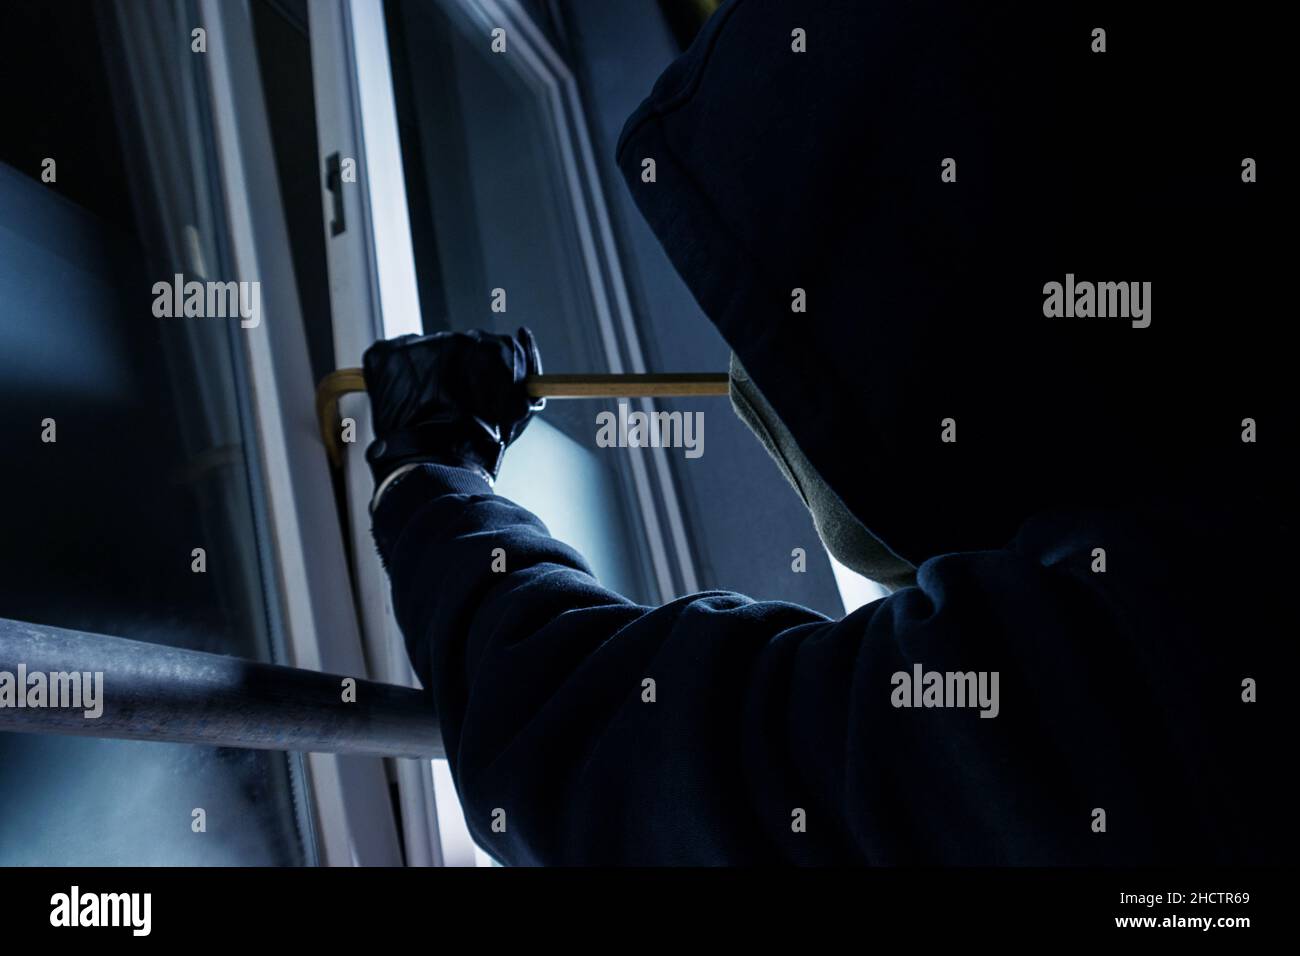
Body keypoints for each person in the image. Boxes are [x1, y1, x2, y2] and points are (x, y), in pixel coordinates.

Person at [363, 1, 1290, 865]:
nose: (748, 405)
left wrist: (428, 470)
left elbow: (626, 751)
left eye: (793, 372)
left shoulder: (1179, 669)